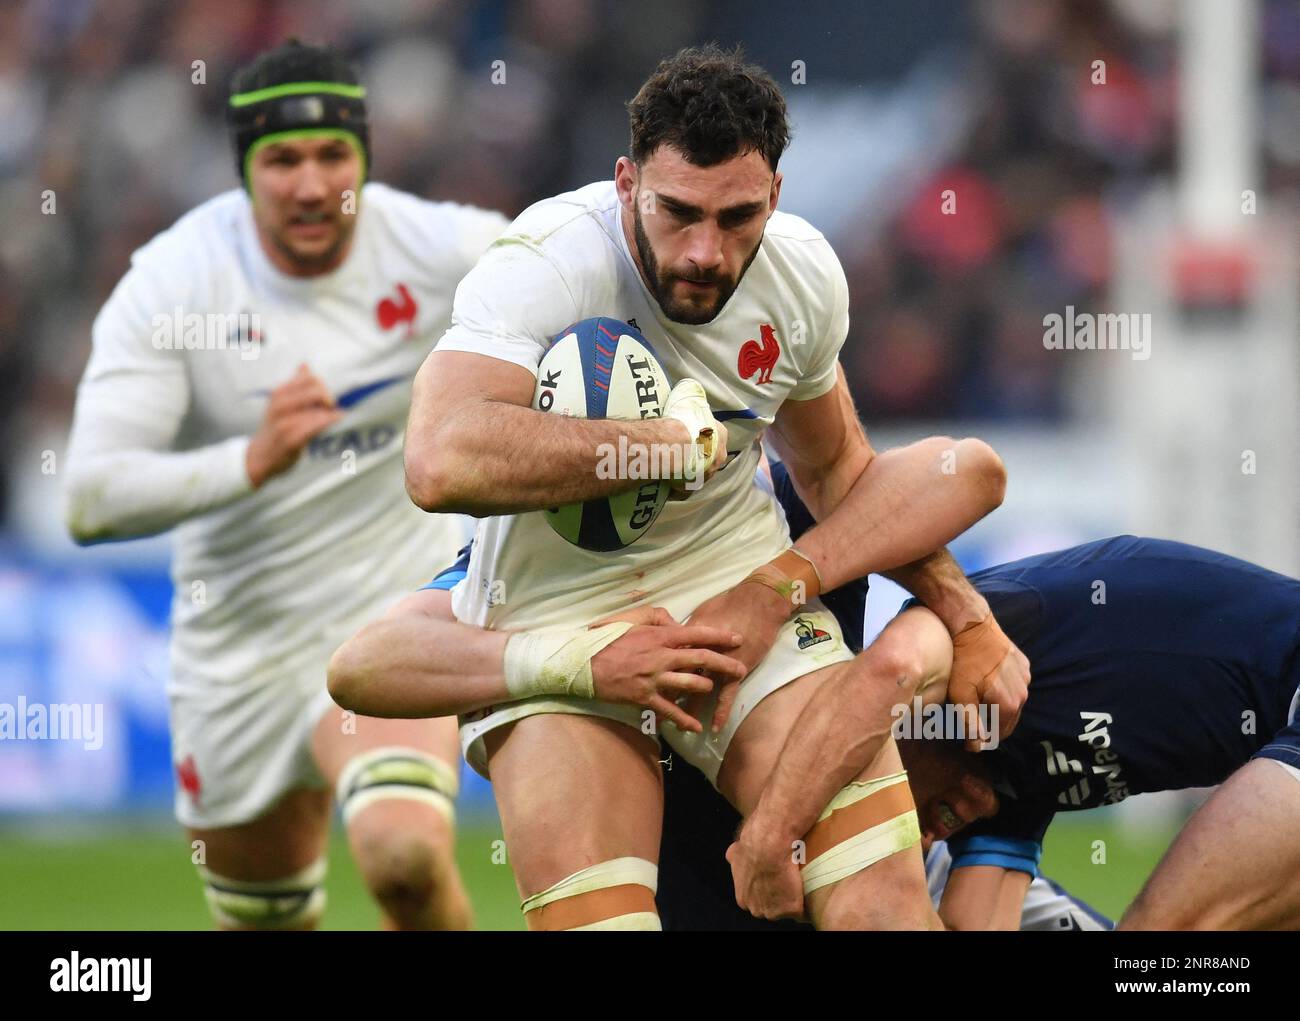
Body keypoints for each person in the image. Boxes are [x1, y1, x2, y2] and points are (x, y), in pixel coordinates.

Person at [400, 45, 1029, 930]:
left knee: (883, 907)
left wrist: (963, 613)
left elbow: (839, 472)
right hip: (557, 617)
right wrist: (658, 448)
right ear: (626, 185)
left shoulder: (802, 277)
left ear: (774, 195)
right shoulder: (545, 262)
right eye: (678, 212)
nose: (705, 251)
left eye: (737, 217)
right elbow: (438, 461)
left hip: (735, 591)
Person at [63, 40, 508, 930]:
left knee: (406, 858)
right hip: (239, 654)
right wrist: (248, 460)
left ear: (365, 159)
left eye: (333, 155)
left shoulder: (448, 249)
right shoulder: (174, 283)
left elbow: (590, 280)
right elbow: (89, 498)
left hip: (393, 616)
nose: (311, 185)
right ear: (243, 170)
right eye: (282, 160)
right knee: (267, 919)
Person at [726, 529, 1300, 931]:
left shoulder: (972, 642)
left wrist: (770, 839)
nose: (924, 841)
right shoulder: (987, 785)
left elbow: (886, 673)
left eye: (894, 818)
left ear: (885, 743)